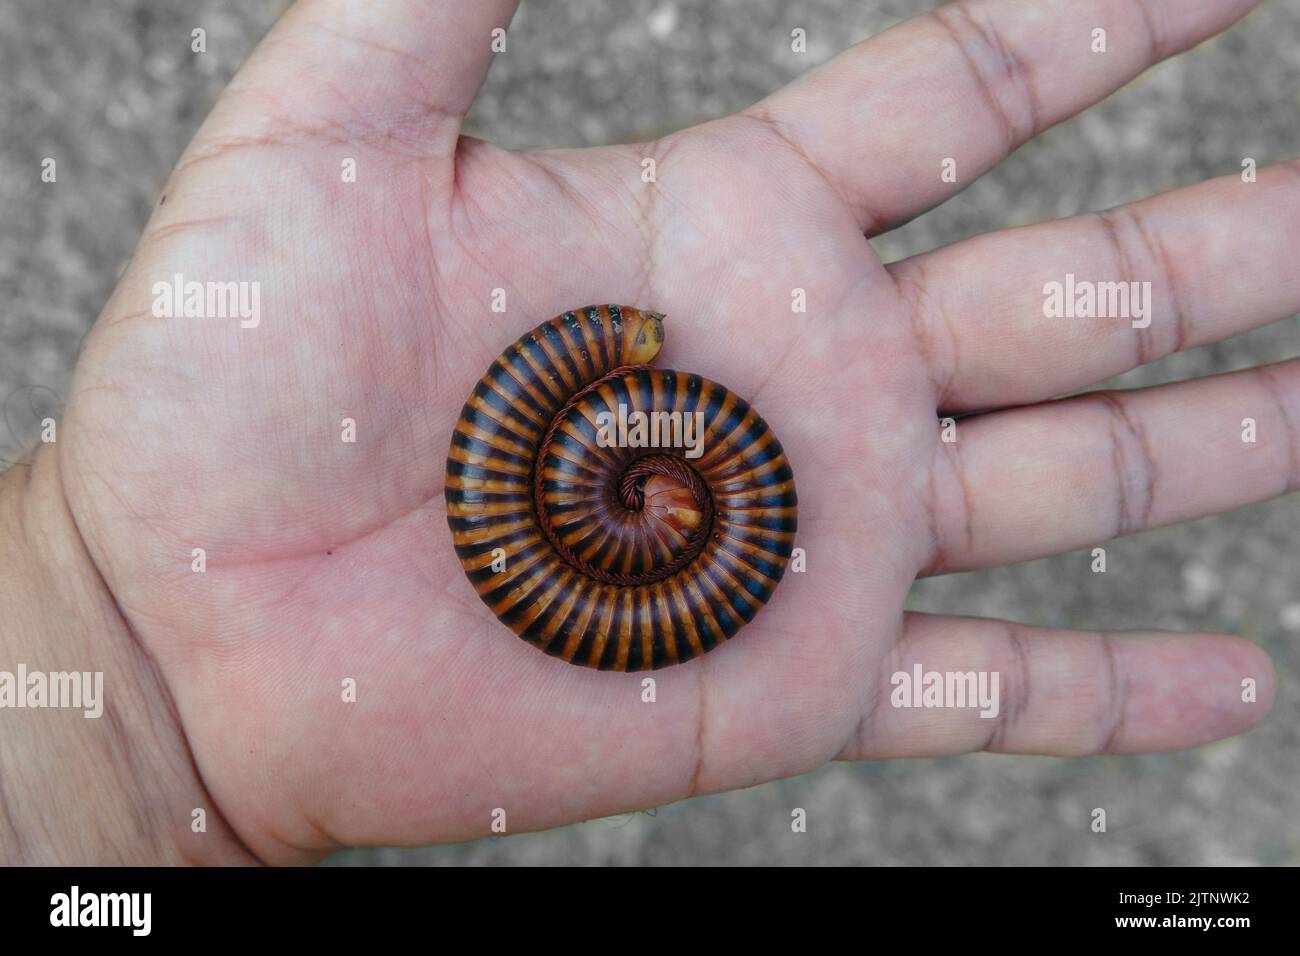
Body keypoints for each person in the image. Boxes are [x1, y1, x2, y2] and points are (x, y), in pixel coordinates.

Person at [0, 0, 1291, 865]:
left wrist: (104, 659)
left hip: (629, 514)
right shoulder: (635, 485)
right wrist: (103, 649)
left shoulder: (627, 487)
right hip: (630, 514)